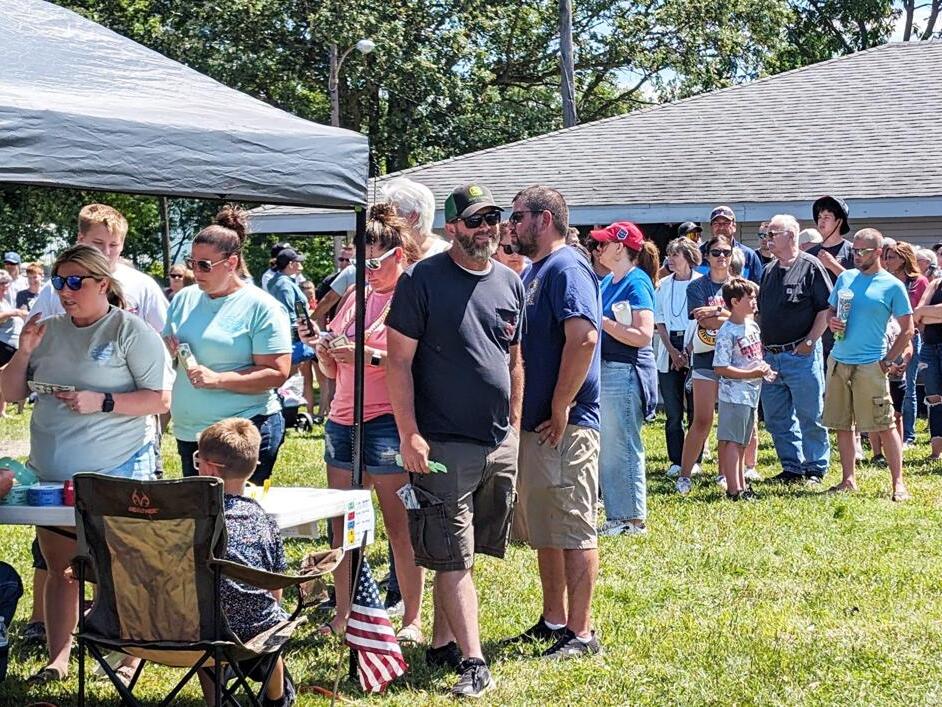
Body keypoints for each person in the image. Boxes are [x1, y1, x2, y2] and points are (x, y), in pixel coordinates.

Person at [1, 244, 172, 685]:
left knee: (119, 572)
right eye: (59, 282)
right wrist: (22, 353)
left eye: (76, 282)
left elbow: (160, 399)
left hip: (117, 469)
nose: (66, 291)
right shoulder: (47, 329)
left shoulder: (130, 331)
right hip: (52, 472)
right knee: (60, 568)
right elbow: (11, 393)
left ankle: (129, 658)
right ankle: (59, 657)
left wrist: (104, 401)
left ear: (102, 284)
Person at [386, 183, 523, 698]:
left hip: (495, 443)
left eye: (491, 218)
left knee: (466, 551)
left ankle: (443, 640)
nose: (485, 228)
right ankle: (473, 659)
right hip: (440, 443)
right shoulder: (422, 279)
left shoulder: (510, 281)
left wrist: (512, 423)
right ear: (451, 228)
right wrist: (409, 434)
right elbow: (398, 361)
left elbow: (514, 358)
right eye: (474, 220)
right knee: (452, 555)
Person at [307, 203, 425, 645]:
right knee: (342, 525)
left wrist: (365, 356)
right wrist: (326, 354)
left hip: (385, 420)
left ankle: (412, 618)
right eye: (359, 262)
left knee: (398, 525)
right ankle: (345, 613)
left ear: (399, 253)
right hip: (342, 419)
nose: (365, 270)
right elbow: (336, 375)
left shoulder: (410, 295)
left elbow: (412, 363)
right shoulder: (356, 295)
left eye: (373, 261)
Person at [506, 185, 603, 660]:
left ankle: (582, 634)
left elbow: (583, 338)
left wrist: (562, 405)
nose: (510, 224)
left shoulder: (567, 266)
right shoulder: (536, 271)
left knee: (573, 527)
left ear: (544, 220)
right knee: (547, 527)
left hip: (567, 425)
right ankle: (554, 620)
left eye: (517, 215)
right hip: (539, 426)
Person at [164, 205, 292, 483]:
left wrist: (219, 379)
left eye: (204, 265)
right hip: (190, 432)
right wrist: (170, 350)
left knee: (234, 520)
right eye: (192, 262)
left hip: (240, 433)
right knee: (203, 518)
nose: (195, 271)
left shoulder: (262, 306)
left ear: (231, 263)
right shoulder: (184, 298)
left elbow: (277, 373)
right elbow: (168, 348)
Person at [194, 418, 295, 707]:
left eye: (198, 461)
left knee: (206, 610)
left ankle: (216, 701)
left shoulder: (191, 519)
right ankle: (276, 699)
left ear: (211, 469)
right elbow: (275, 588)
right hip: (255, 630)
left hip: (189, 631)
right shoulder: (263, 521)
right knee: (271, 619)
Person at [824, 228, 913, 500]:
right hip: (839, 360)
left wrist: (888, 360)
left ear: (877, 253)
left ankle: (898, 483)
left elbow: (907, 329)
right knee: (842, 424)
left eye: (863, 251)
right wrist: (831, 320)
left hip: (870, 364)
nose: (857, 256)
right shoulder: (846, 279)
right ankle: (848, 479)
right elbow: (831, 310)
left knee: (884, 424)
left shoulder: (892, 285)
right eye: (854, 250)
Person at [589, 221, 659, 536]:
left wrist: (601, 322)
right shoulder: (607, 283)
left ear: (621, 247)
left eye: (604, 243)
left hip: (625, 370)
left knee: (623, 445)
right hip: (609, 371)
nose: (598, 249)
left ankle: (631, 519)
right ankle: (619, 515)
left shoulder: (637, 281)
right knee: (610, 446)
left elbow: (643, 334)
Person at [758, 215, 832, 484]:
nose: (767, 240)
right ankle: (792, 467)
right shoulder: (768, 270)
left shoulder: (810, 266)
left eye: (772, 234)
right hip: (771, 356)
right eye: (765, 235)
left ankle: (816, 467)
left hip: (801, 355)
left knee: (810, 414)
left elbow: (826, 308)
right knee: (777, 418)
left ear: (790, 236)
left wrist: (810, 342)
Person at [30, 204, 167, 332]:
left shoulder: (143, 285)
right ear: (81, 239)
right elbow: (32, 337)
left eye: (113, 245)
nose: (106, 252)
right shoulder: (55, 287)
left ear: (122, 245)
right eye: (98, 243)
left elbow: (165, 334)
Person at [675, 234, 733, 494]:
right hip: (705, 358)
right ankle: (684, 475)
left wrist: (717, 312)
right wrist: (728, 315)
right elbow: (703, 322)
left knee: (731, 420)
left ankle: (725, 473)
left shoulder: (741, 285)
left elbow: (748, 318)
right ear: (706, 256)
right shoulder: (696, 287)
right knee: (702, 419)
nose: (722, 257)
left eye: (726, 252)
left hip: (736, 358)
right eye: (716, 252)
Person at [713, 278, 772, 499]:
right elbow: (720, 367)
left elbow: (753, 357)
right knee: (732, 441)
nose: (755, 301)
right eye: (750, 298)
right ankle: (734, 489)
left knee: (742, 441)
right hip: (733, 394)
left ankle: (742, 485)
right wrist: (751, 374)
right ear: (735, 302)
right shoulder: (727, 331)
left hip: (750, 393)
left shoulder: (752, 326)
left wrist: (762, 369)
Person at [655, 238, 702, 477]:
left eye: (676, 255)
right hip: (668, 348)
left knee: (696, 410)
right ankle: (675, 459)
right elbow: (659, 320)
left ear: (689, 257)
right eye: (669, 255)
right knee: (673, 412)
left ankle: (694, 459)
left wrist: (688, 351)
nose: (671, 260)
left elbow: (702, 322)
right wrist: (673, 351)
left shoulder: (700, 283)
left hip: (695, 347)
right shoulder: (662, 284)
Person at [882, 239, 928, 447]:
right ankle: (884, 432)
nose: (886, 261)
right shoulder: (886, 280)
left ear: (903, 259)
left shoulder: (918, 282)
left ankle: (907, 434)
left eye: (891, 257)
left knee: (907, 385)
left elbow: (919, 312)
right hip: (889, 335)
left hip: (911, 335)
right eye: (885, 257)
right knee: (887, 386)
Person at [381, 176, 451, 258]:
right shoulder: (384, 253)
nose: (385, 219)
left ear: (412, 216)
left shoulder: (445, 254)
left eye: (391, 214)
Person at [696, 206, 763, 284]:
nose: (721, 227)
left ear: (734, 226)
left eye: (726, 223)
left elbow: (757, 288)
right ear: (711, 227)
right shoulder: (699, 254)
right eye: (716, 223)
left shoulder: (749, 256)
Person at [914, 275, 942, 459]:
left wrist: (925, 313)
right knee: (934, 398)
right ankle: (936, 452)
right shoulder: (936, 282)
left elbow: (923, 313)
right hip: (930, 347)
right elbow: (917, 315)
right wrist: (930, 313)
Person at [0, 271, 27, 417]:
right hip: (2, 343)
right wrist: (15, 312)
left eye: (6, 283)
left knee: (5, 376)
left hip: (10, 344)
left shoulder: (5, 300)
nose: (4, 286)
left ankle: (4, 410)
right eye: (2, 283)